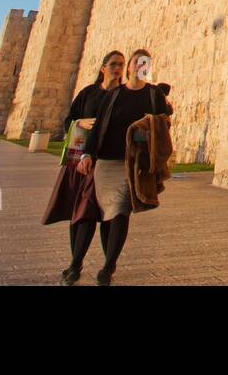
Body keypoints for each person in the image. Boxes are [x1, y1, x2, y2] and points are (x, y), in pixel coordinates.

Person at [76, 49, 173, 285]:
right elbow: (99, 128)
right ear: (129, 68)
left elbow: (165, 124)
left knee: (120, 209)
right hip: (107, 161)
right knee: (107, 214)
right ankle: (88, 261)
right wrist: (87, 153)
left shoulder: (153, 94)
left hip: (133, 163)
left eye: (145, 64)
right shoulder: (115, 94)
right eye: (136, 63)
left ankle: (108, 267)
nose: (140, 67)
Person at [51, 51, 124, 286]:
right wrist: (79, 123)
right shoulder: (88, 93)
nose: (118, 68)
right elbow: (68, 120)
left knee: (102, 214)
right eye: (113, 64)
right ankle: (77, 262)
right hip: (81, 163)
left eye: (121, 65)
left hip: (108, 163)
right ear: (103, 67)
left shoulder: (125, 96)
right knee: (81, 213)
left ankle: (99, 266)